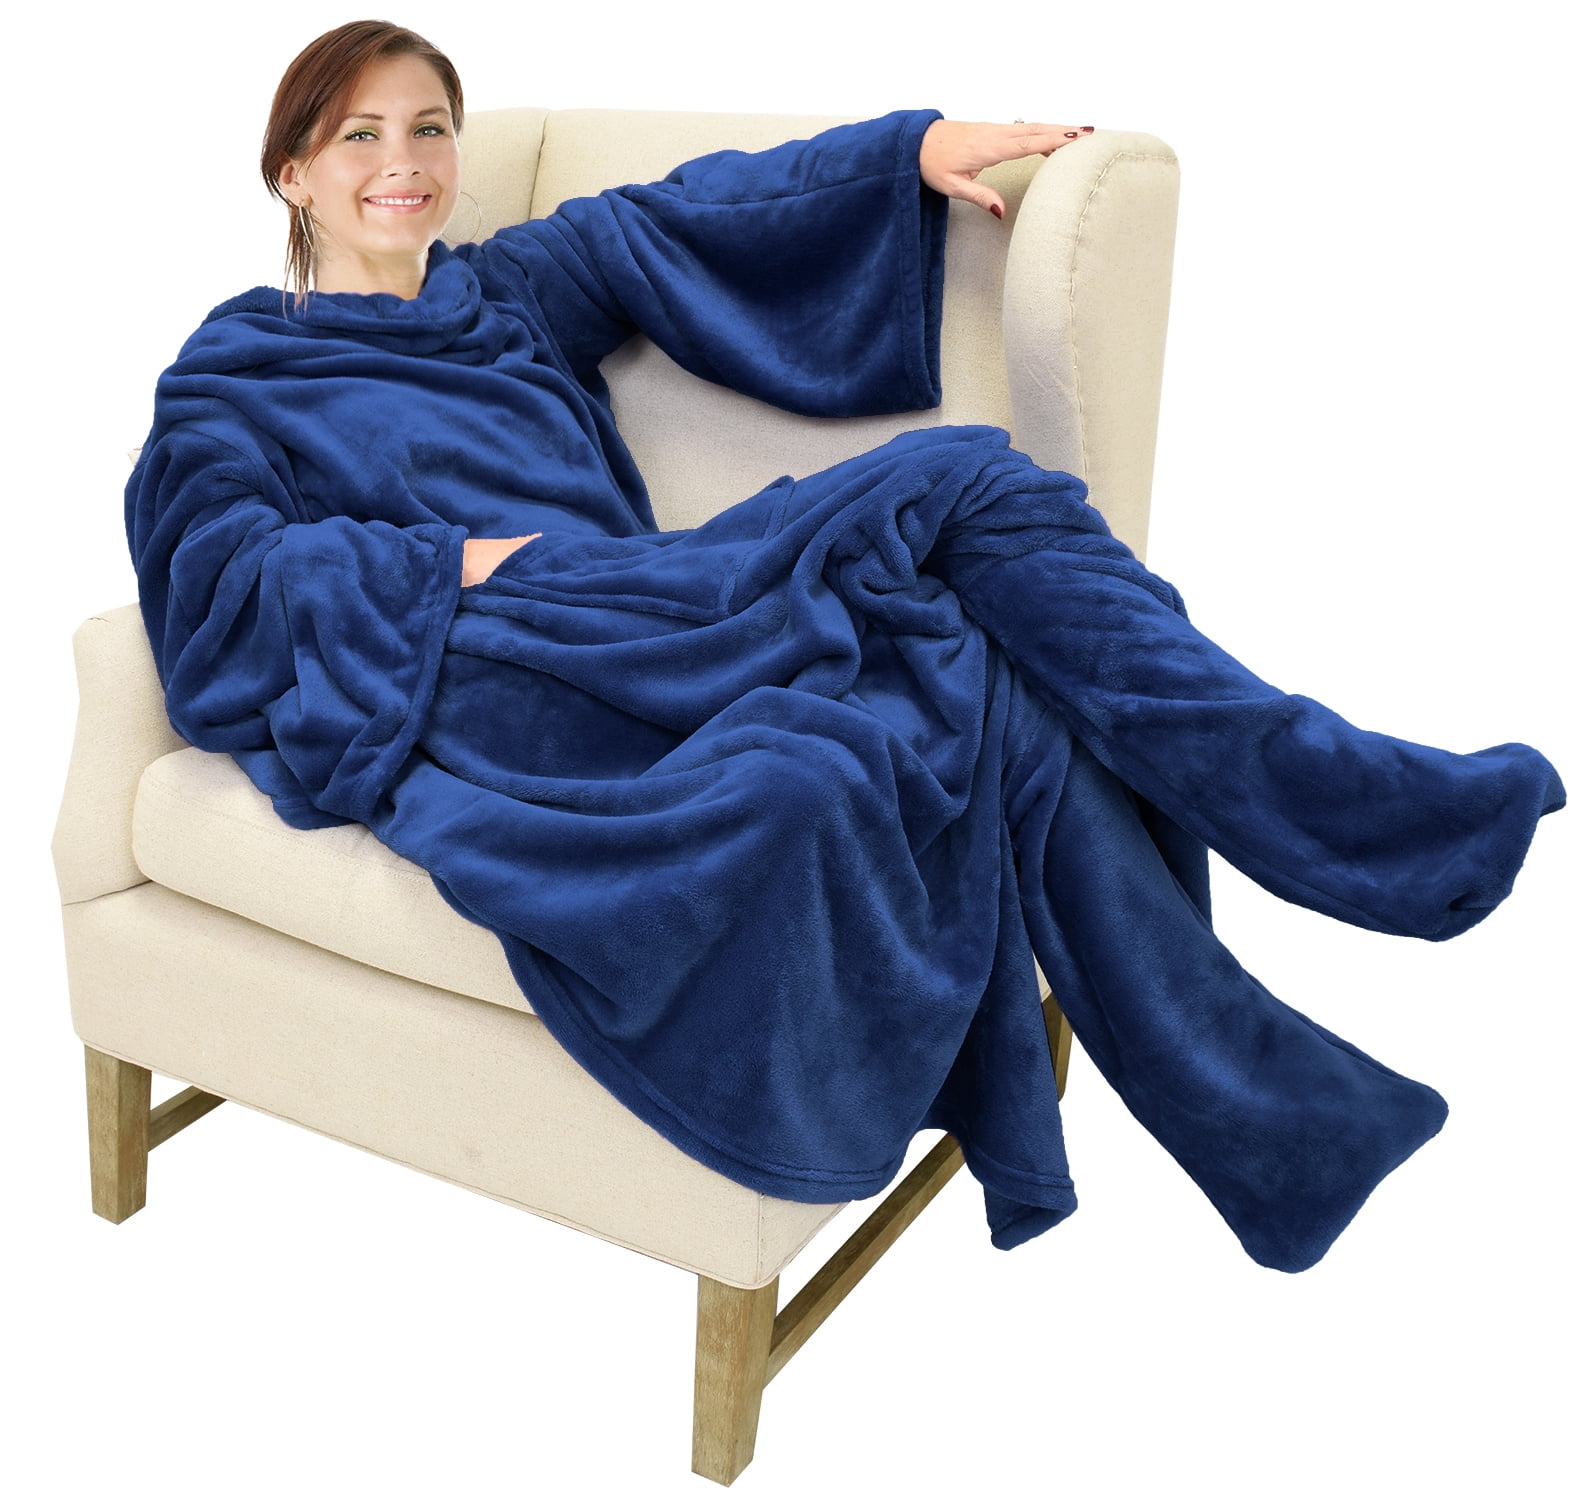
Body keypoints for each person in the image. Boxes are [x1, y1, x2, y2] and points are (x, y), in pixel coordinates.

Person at [126, 20, 1564, 1273]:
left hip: (650, 620)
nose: (406, 161)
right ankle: (1342, 816)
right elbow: (216, 576)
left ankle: (1288, 1133)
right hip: (492, 666)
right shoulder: (232, 374)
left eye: (431, 126)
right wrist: (456, 561)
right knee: (963, 477)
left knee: (993, 673)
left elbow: (682, 216)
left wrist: (908, 154)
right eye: (360, 134)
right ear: (292, 173)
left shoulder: (503, 295)